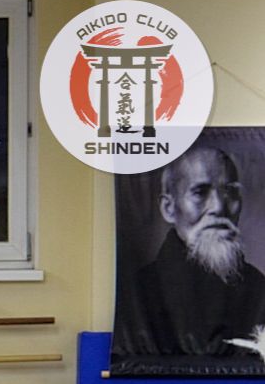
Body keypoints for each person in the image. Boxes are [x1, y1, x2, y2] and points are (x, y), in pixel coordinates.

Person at [113, 142, 265, 366]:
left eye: (229, 191)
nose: (218, 207)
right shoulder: (140, 293)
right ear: (168, 208)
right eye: (200, 192)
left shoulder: (259, 288)